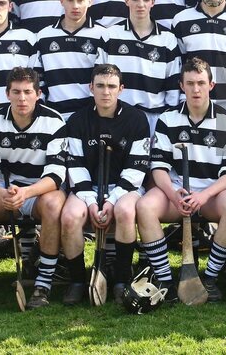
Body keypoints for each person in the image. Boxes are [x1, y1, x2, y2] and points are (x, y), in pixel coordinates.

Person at [136, 58, 226, 302]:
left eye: (201, 83)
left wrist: (204, 196)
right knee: (144, 206)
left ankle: (210, 278)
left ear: (211, 85)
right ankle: (165, 280)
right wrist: (173, 195)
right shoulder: (168, 119)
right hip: (177, 192)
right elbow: (159, 168)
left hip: (211, 193)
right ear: (181, 86)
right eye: (190, 83)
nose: (196, 89)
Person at [0, 67, 67, 311]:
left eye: (28, 92)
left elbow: (55, 176)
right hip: (5, 194)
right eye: (16, 92)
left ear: (38, 94)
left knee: (54, 203)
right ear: (7, 93)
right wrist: (3, 194)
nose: (22, 98)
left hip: (38, 193)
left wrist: (25, 193)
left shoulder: (54, 121)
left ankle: (43, 285)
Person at [60, 64, 151, 304]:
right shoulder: (77, 120)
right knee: (69, 217)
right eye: (100, 86)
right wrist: (91, 202)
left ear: (121, 89)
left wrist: (112, 200)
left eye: (111, 86)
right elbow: (75, 166)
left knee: (125, 211)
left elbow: (136, 168)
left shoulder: (137, 119)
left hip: (125, 188)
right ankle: (77, 281)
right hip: (86, 188)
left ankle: (121, 280)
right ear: (91, 88)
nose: (106, 92)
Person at [102, 0, 182, 133]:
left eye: (145, 0)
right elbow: (101, 79)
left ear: (153, 2)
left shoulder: (168, 39)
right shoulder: (110, 36)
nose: (140, 5)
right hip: (118, 117)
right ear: (126, 0)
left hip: (154, 118)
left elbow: (173, 86)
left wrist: (170, 119)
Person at [35, 0, 107, 121]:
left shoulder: (102, 35)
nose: (75, 6)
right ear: (61, 1)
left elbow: (104, 79)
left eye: (80, 0)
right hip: (53, 117)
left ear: (90, 1)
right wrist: (42, 110)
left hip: (89, 118)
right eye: (70, 0)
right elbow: (38, 78)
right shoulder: (44, 36)